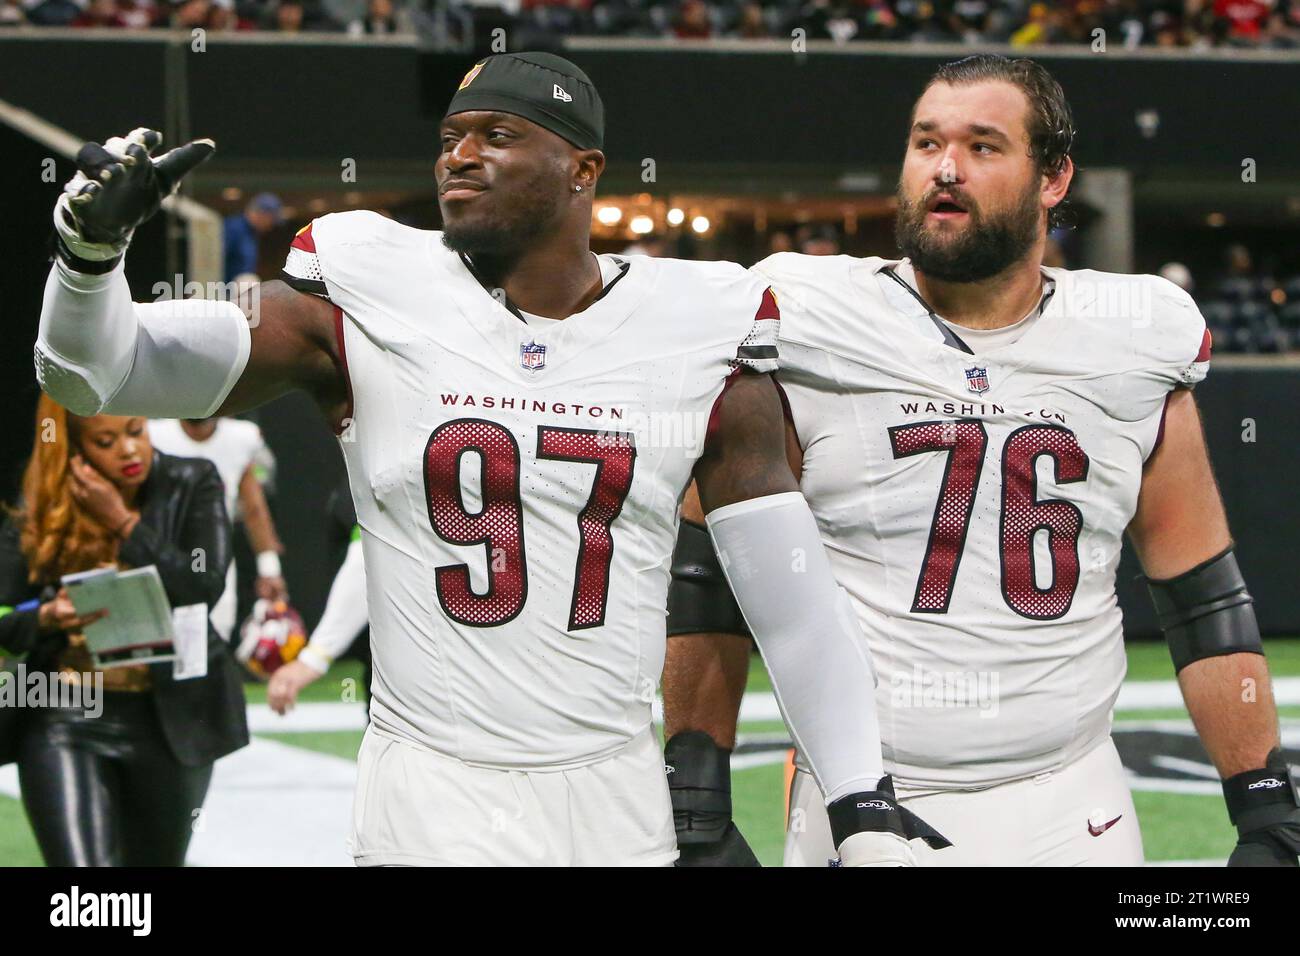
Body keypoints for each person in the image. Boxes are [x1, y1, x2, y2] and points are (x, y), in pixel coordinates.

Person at [35, 52, 943, 866]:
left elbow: (788, 599)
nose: (459, 156)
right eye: (451, 137)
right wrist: (87, 258)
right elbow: (98, 374)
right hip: (430, 794)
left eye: (497, 135)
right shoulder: (369, 290)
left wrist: (859, 795)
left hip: (613, 797)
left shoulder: (694, 321)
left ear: (584, 169)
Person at [665, 53, 1300, 867]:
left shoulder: (1136, 334)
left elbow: (1202, 594)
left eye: (984, 146)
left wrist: (1264, 803)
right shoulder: (807, 317)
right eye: (926, 143)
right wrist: (696, 797)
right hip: (868, 792)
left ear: (1054, 177)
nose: (946, 169)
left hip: (1072, 793)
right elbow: (711, 574)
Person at [0, 397, 249, 866]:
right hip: (65, 714)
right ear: (74, 448)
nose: (129, 450)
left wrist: (123, 522)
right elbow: (4, 613)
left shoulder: (192, 481)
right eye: (106, 441)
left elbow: (201, 587)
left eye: (136, 430)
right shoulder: (44, 497)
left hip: (170, 719)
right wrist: (46, 616)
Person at [148, 416, 288, 641]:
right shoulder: (152, 434)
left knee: (213, 635)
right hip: (163, 552)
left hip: (213, 554)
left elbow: (254, 508)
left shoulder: (241, 437)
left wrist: (269, 568)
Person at [222, 192, 283, 283]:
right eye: (271, 220)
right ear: (262, 214)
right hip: (224, 290)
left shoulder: (252, 232)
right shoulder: (233, 228)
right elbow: (217, 261)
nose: (271, 226)